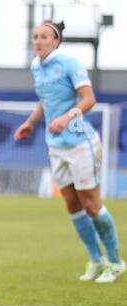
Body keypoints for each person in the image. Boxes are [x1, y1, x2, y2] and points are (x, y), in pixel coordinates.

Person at [15, 21, 122, 283]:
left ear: (56, 41)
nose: (38, 41)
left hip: (80, 143)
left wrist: (66, 118)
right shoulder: (36, 66)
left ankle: (116, 262)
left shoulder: (70, 64)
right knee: (73, 205)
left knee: (91, 204)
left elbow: (89, 99)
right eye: (35, 37)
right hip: (56, 146)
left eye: (44, 37)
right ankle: (96, 260)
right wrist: (31, 122)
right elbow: (45, 100)